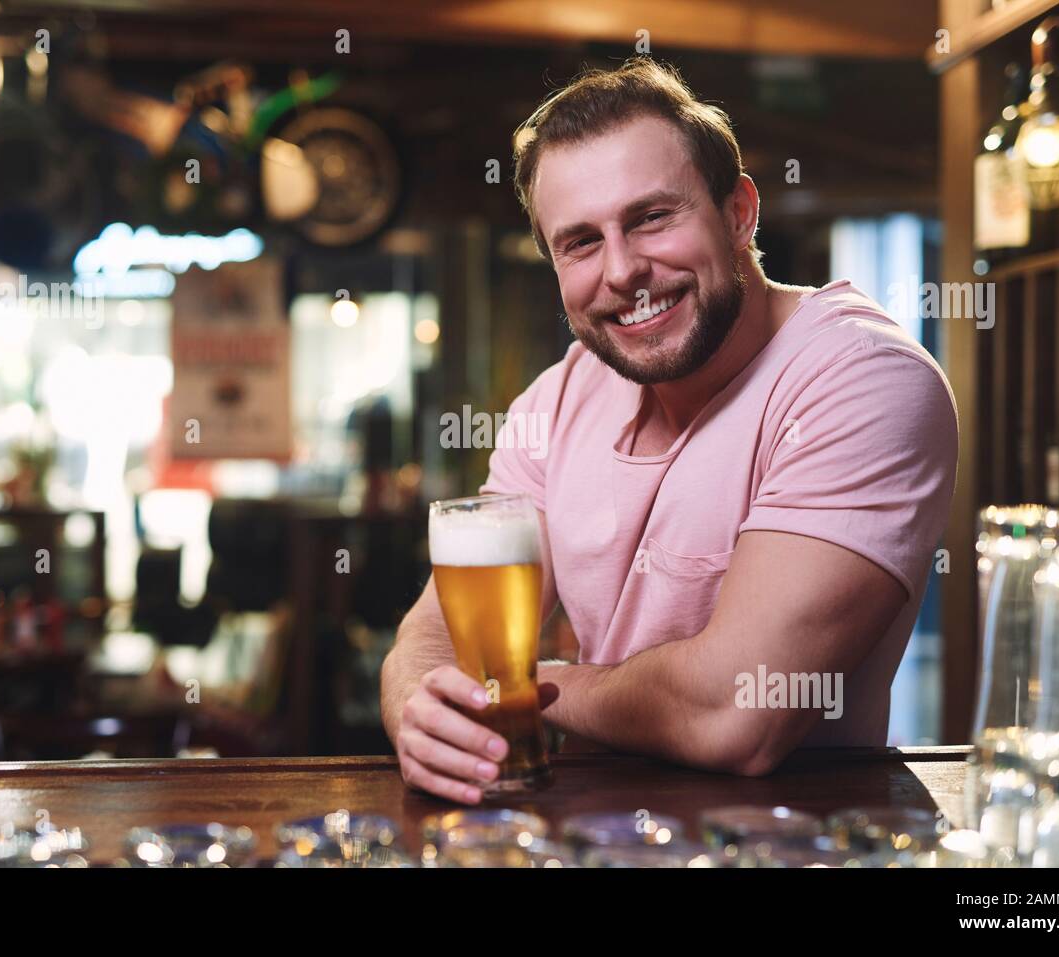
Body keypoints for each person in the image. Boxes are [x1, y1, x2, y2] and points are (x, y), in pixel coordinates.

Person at [381, 58, 958, 803]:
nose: (621, 270)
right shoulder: (555, 401)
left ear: (739, 213)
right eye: (581, 242)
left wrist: (527, 687)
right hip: (594, 839)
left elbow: (741, 709)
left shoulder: (863, 380)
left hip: (790, 845)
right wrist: (415, 707)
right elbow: (433, 637)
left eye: (652, 217)